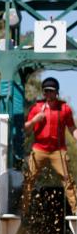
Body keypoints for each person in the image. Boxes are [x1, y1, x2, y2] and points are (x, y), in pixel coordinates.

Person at [21, 77, 77, 215]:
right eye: (46, 91)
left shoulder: (65, 109)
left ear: (56, 93)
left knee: (67, 180)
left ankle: (76, 209)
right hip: (39, 149)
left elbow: (72, 129)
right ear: (43, 93)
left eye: (51, 91)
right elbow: (25, 128)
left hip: (58, 151)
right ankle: (23, 210)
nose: (48, 94)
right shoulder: (36, 108)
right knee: (29, 179)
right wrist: (35, 120)